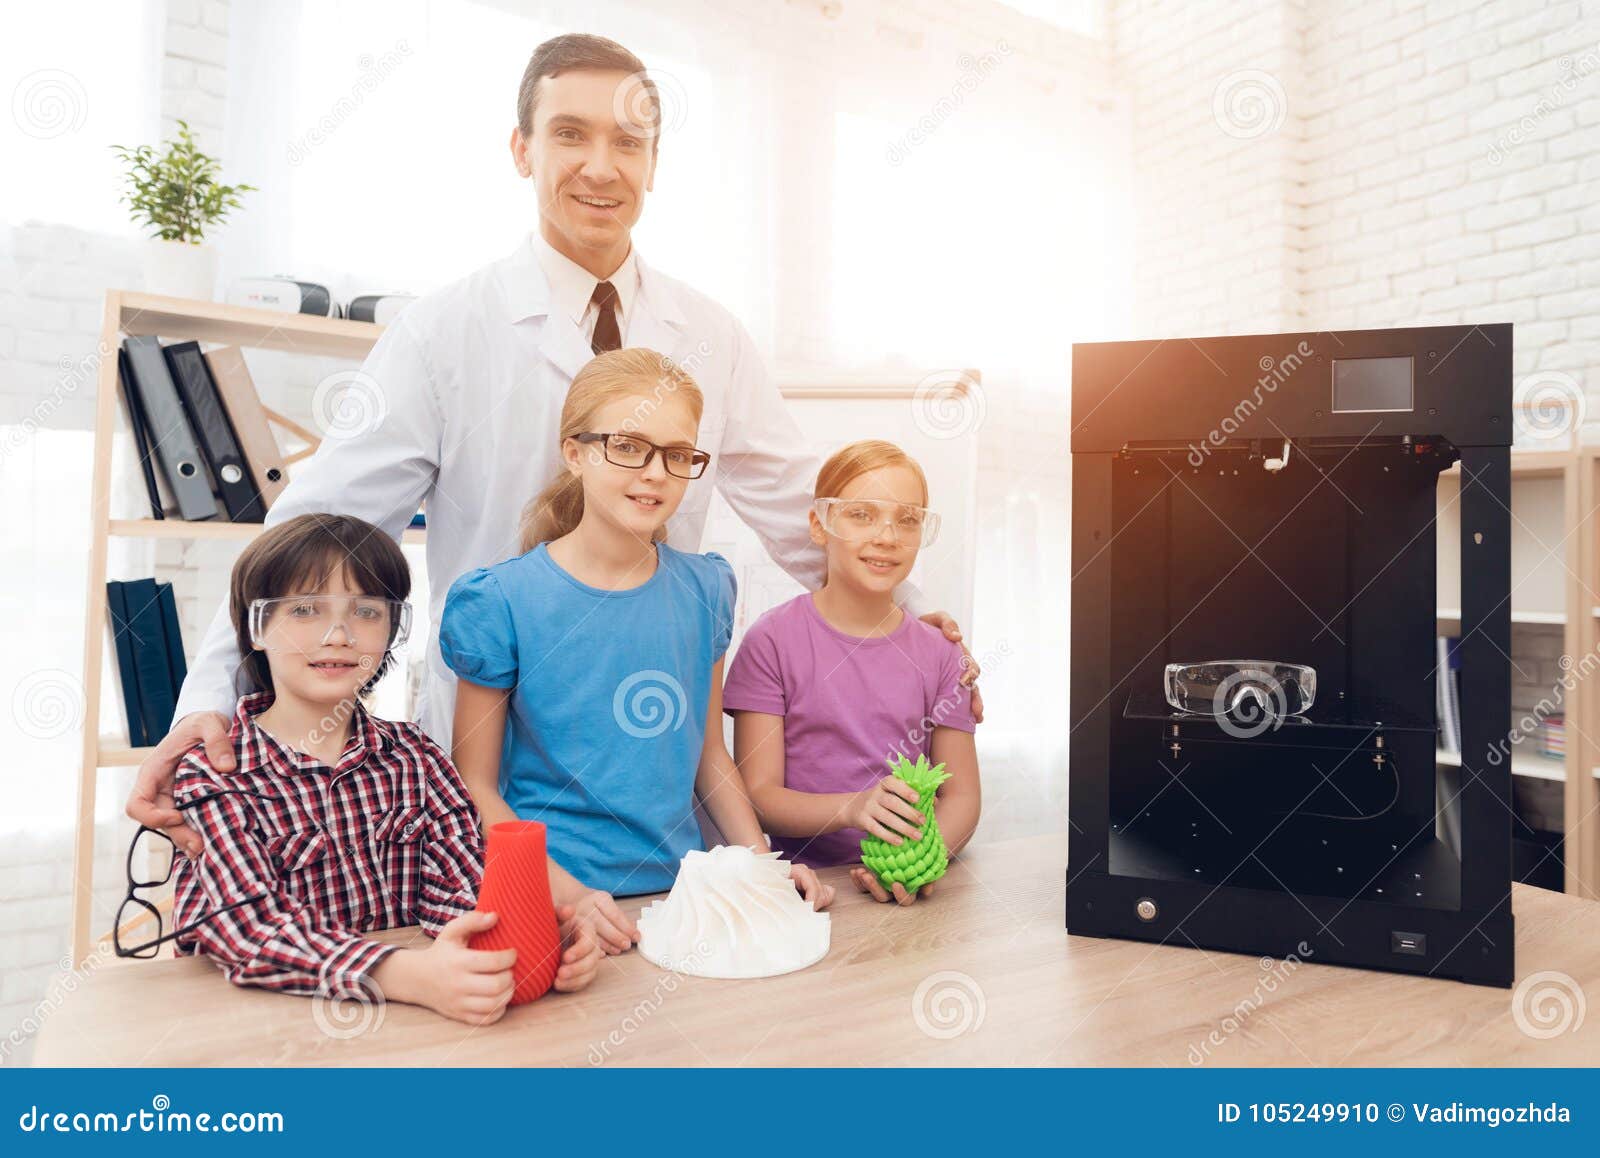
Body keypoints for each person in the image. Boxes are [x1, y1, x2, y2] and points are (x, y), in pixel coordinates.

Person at [127, 32, 979, 857]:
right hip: (495, 766)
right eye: (570, 133)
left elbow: (806, 507)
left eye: (630, 141)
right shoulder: (442, 331)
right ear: (522, 149)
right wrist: (207, 696)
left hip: (658, 766)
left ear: (653, 164)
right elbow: (317, 527)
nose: (602, 166)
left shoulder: (712, 336)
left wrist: (909, 614)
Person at [443, 350, 835, 955]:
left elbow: (709, 757)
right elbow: (474, 786)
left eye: (677, 455)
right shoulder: (500, 600)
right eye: (628, 446)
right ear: (574, 453)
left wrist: (762, 870)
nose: (655, 472)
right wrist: (567, 897)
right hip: (548, 901)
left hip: (683, 904)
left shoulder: (705, 589)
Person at [166, 513, 601, 1022]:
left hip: (406, 1029)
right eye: (305, 609)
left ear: (393, 628)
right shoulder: (212, 773)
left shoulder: (417, 757)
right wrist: (403, 974)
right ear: (256, 627)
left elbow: (463, 892)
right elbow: (248, 928)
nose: (339, 635)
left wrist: (534, 938)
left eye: (366, 612)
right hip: (266, 1036)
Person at [724, 441, 981, 905]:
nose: (887, 536)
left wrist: (921, 862)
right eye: (861, 514)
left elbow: (962, 796)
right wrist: (852, 807)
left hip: (911, 886)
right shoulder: (771, 642)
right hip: (809, 889)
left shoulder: (942, 655)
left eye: (907, 519)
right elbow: (759, 795)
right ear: (819, 525)